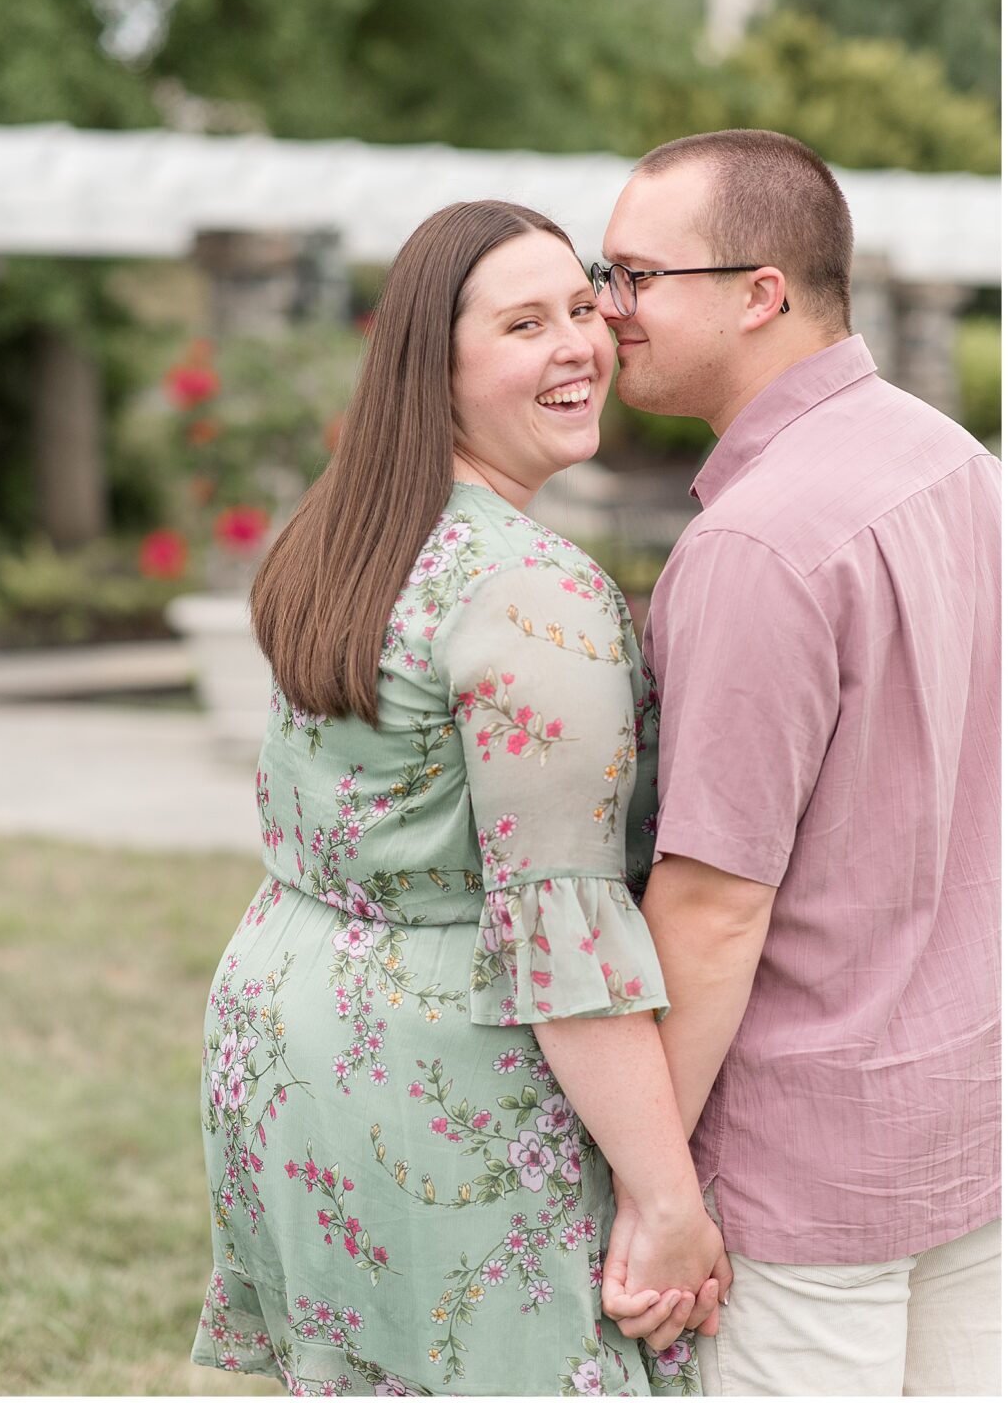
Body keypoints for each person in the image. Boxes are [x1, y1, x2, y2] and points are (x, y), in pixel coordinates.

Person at [191, 199, 729, 1398]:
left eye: (583, 310)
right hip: (447, 1072)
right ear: (432, 367)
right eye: (524, 324)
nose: (578, 346)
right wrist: (666, 1200)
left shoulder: (340, 532)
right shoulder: (533, 593)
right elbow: (558, 942)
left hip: (291, 1030)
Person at [596, 130, 1001, 1397]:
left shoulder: (756, 546)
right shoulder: (960, 464)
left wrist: (651, 1190)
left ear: (758, 292)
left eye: (632, 276)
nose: (605, 313)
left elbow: (714, 904)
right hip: (971, 1114)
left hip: (803, 1166)